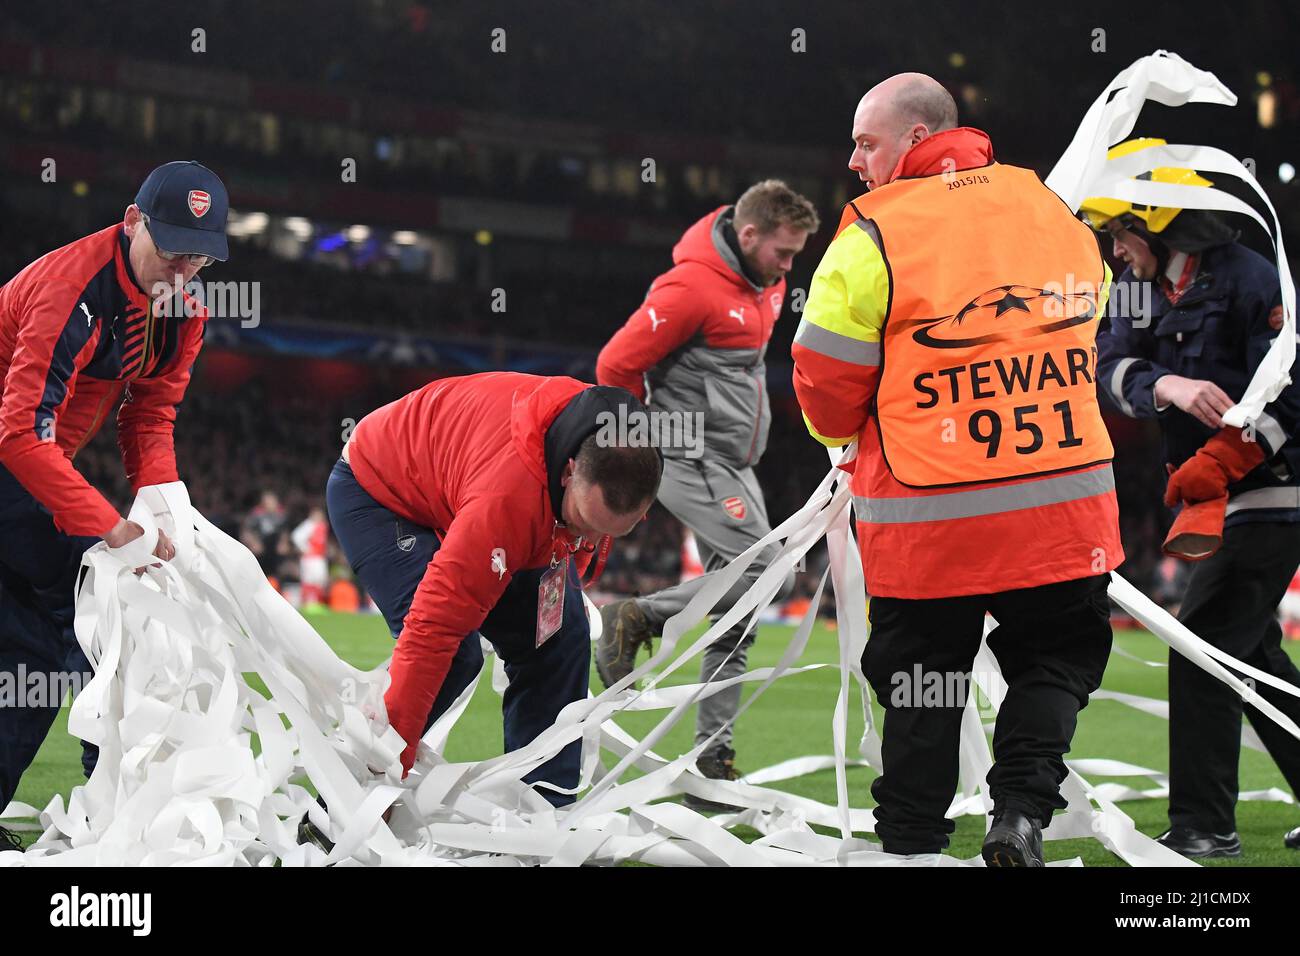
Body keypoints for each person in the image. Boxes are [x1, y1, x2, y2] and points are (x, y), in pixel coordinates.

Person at [792, 73, 1122, 866]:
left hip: (927, 519)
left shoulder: (873, 232)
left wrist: (841, 433)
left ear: (912, 139)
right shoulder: (1047, 206)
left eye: (866, 143)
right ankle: (1018, 812)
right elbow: (1090, 317)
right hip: (1060, 506)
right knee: (1056, 658)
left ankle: (909, 844)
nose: (853, 161)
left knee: (920, 686)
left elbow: (824, 374)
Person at [0, 161, 229, 847]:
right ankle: (122, 809)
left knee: (36, 649)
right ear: (132, 222)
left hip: (31, 471)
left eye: (200, 257)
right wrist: (110, 526)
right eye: (171, 250)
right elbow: (17, 435)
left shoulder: (183, 312)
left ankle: (120, 809)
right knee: (102, 608)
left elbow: (150, 417)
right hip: (14, 458)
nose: (183, 272)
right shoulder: (70, 287)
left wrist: (165, 513)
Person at [1089, 139, 1300, 857]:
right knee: (1255, 659)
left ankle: (1206, 828)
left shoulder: (1250, 278)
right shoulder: (1141, 289)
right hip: (1216, 497)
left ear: (1156, 222)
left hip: (1275, 492)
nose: (1116, 250)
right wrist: (1168, 386)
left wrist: (1221, 456)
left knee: (1202, 650)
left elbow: (1290, 394)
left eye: (1120, 231)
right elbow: (1107, 369)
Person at [326, 372, 662, 801]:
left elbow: (578, 535)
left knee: (560, 636)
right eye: (585, 523)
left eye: (613, 532)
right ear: (568, 471)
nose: (592, 541)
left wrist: (574, 545)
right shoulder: (507, 501)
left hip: (470, 485)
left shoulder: (621, 455)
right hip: (380, 490)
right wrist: (385, 775)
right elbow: (433, 631)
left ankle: (543, 816)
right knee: (455, 656)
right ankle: (345, 800)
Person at [593, 179, 819, 803]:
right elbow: (615, 364)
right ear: (748, 236)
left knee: (742, 614)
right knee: (768, 571)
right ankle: (633, 615)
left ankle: (708, 762)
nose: (789, 268)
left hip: (732, 460)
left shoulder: (762, 281)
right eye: (783, 253)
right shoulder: (690, 289)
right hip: (687, 449)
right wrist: (640, 444)